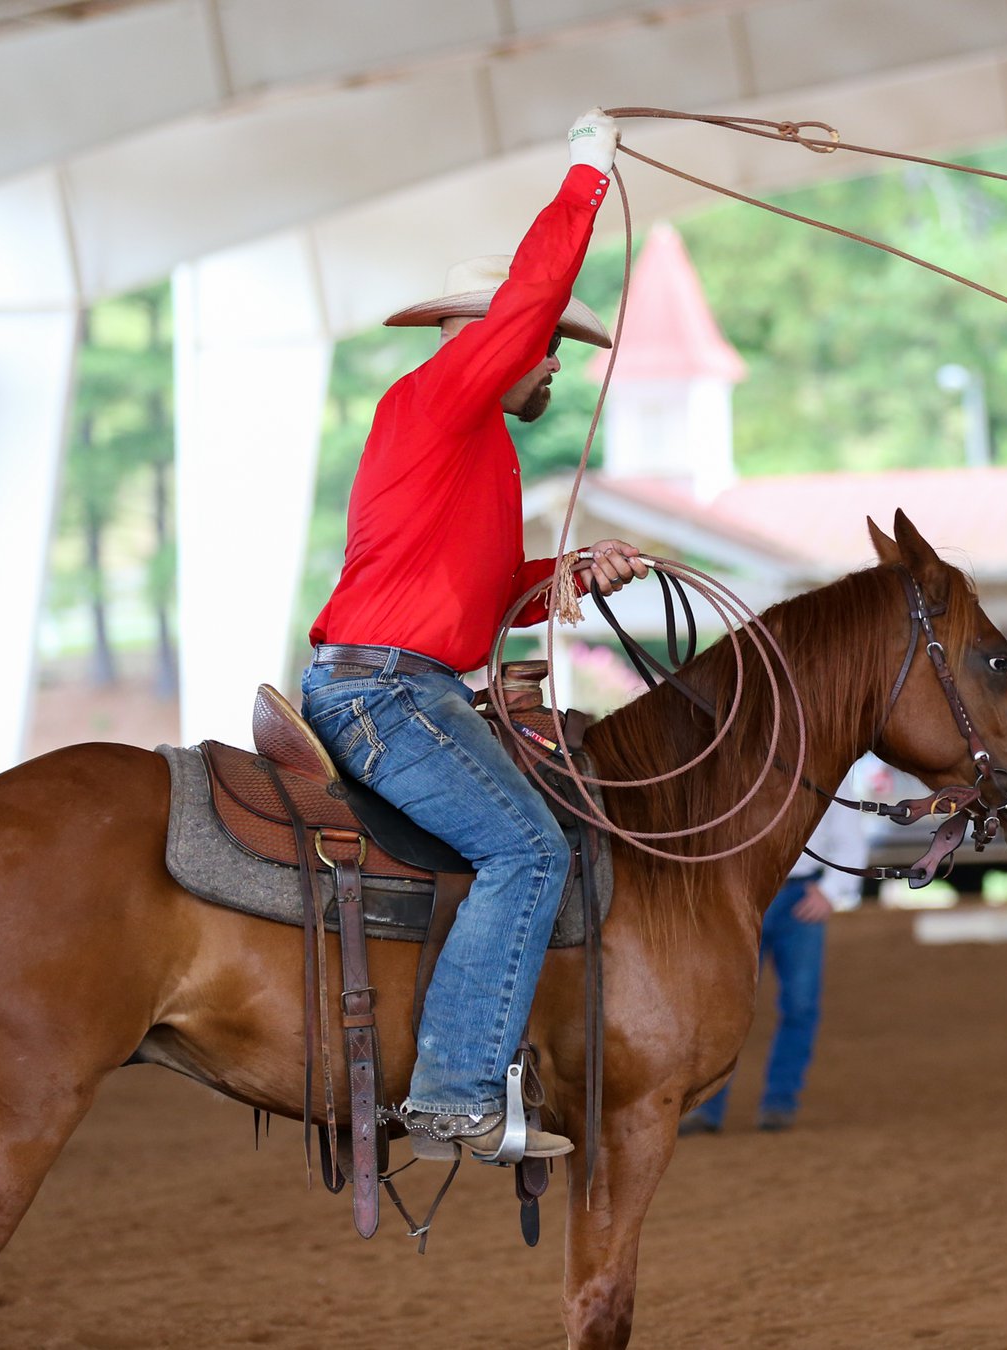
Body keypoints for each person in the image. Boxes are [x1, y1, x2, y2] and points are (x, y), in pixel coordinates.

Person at [299, 109, 645, 1165]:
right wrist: (587, 174)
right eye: (547, 351)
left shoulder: (471, 445)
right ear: (509, 340)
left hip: (405, 681)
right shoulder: (442, 398)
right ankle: (454, 1095)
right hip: (391, 692)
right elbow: (532, 298)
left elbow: (481, 595)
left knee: (525, 840)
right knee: (529, 849)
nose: (555, 372)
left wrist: (565, 576)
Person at [681, 793, 871, 1134]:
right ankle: (709, 1105)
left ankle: (778, 1101)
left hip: (796, 893)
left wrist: (831, 890)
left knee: (798, 1004)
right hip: (742, 889)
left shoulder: (827, 771)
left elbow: (849, 836)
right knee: (724, 1005)